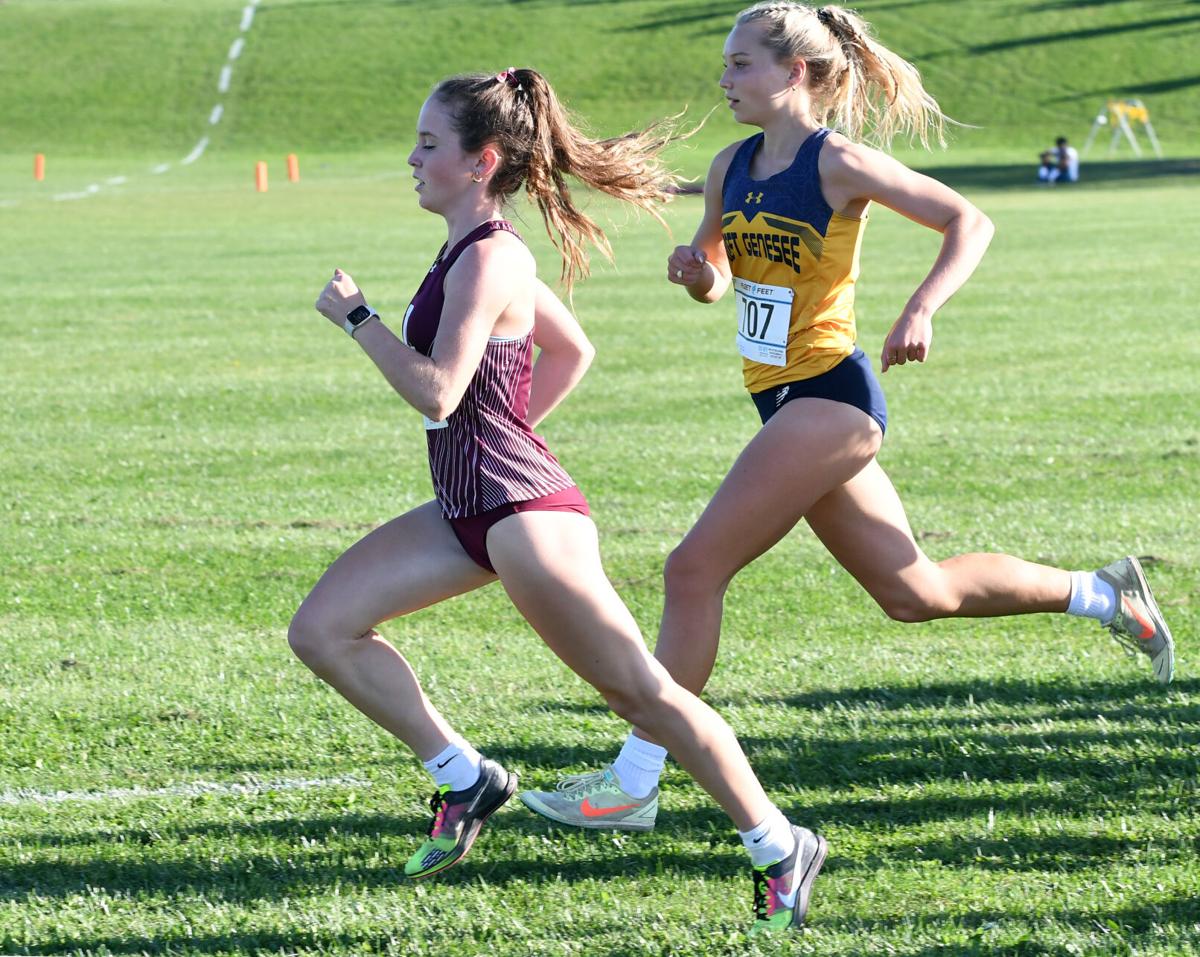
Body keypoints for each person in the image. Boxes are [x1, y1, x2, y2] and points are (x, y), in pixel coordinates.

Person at [520, 1, 1175, 836]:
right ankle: (1104, 594)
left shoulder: (841, 164)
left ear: (794, 72)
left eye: (740, 65)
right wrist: (694, 273)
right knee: (916, 591)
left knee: (692, 569)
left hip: (833, 398)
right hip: (781, 403)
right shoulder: (732, 165)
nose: (724, 80)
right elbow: (718, 275)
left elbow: (968, 219)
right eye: (725, 65)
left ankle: (633, 780)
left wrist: (922, 307)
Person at [290, 67, 826, 933]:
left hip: (523, 520)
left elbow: (436, 392)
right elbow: (571, 350)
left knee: (644, 696)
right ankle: (466, 777)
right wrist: (504, 435)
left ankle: (779, 842)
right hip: (477, 507)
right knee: (322, 629)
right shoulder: (475, 251)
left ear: (481, 161)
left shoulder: (494, 255)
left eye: (430, 145)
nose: (414, 158)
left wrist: (360, 320)